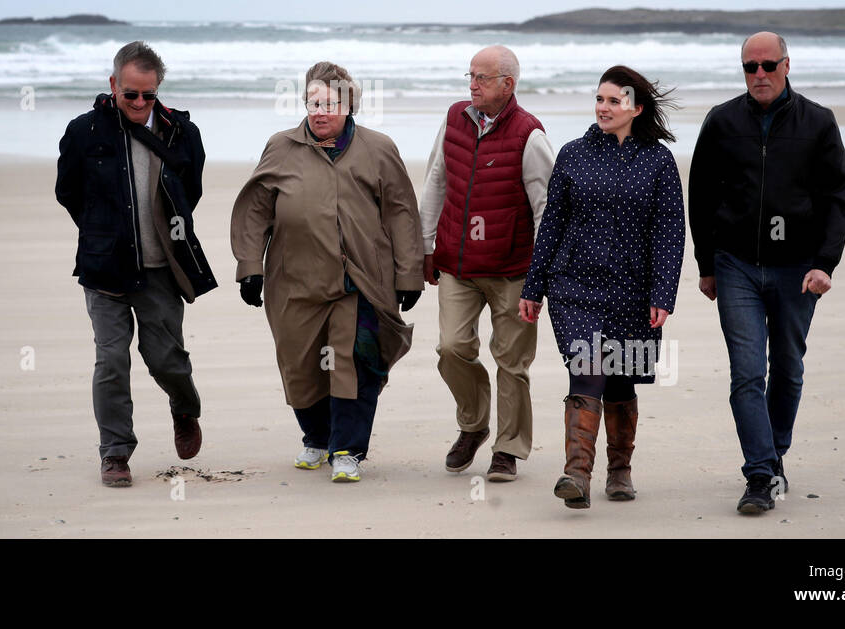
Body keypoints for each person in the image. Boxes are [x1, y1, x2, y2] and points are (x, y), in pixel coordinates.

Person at [231, 62, 425, 483]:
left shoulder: (378, 148)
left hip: (361, 281)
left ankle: (347, 449)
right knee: (301, 365)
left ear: (348, 104)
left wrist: (409, 274)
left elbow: (402, 213)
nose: (321, 112)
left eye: (331, 103)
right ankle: (317, 438)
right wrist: (250, 267)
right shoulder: (281, 147)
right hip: (295, 283)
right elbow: (256, 210)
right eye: (313, 102)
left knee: (355, 361)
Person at [689, 32, 845, 515]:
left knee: (788, 367)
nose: (758, 75)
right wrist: (706, 265)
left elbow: (837, 198)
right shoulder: (722, 121)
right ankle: (759, 474)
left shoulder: (818, 122)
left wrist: (825, 262)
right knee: (747, 372)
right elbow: (700, 195)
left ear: (786, 65)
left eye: (766, 65)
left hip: (798, 268)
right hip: (735, 264)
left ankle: (775, 451)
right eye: (749, 67)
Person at [519, 65, 685, 509]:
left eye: (614, 101)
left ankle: (619, 470)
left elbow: (670, 229)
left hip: (633, 290)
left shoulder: (658, 160)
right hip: (575, 285)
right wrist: (533, 287)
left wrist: (662, 294)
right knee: (587, 366)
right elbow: (551, 224)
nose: (604, 108)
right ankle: (577, 475)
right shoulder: (573, 154)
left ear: (636, 108)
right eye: (599, 99)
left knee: (620, 380)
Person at [55, 40, 217, 488]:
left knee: (165, 358)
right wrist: (102, 232)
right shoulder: (83, 131)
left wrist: (165, 234)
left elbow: (191, 192)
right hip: (103, 270)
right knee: (111, 361)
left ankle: (184, 408)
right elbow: (67, 192)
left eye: (148, 94)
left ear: (158, 88)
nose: (140, 103)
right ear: (113, 85)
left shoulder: (182, 133)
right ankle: (115, 453)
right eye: (131, 94)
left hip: (162, 269)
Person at [420, 45, 554, 482]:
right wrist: (425, 246)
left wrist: (540, 276)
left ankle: (508, 449)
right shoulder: (454, 118)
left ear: (507, 84)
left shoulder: (529, 135)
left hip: (513, 270)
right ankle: (474, 424)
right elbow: (436, 180)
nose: (472, 84)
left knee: (511, 362)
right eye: (470, 76)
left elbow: (546, 209)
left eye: (482, 77)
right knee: (451, 348)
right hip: (458, 264)